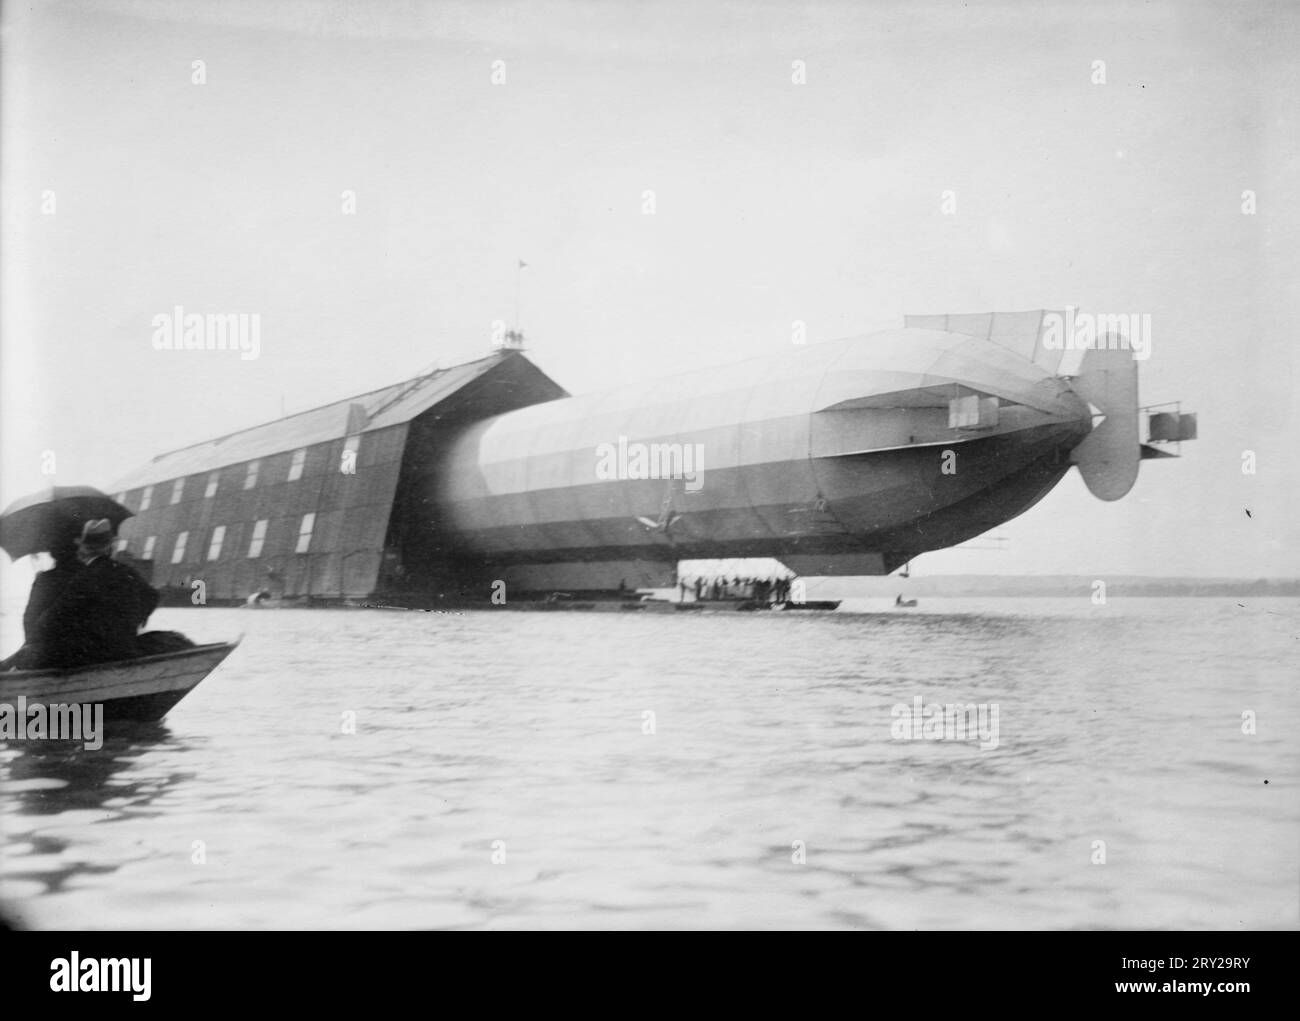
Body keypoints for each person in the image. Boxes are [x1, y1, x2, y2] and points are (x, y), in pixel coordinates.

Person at [29, 519, 160, 668]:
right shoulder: (126, 571)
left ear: (84, 548)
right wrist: (137, 619)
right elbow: (152, 596)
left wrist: (37, 637)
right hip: (125, 649)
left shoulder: (85, 577)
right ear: (110, 546)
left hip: (95, 655)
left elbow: (56, 615)